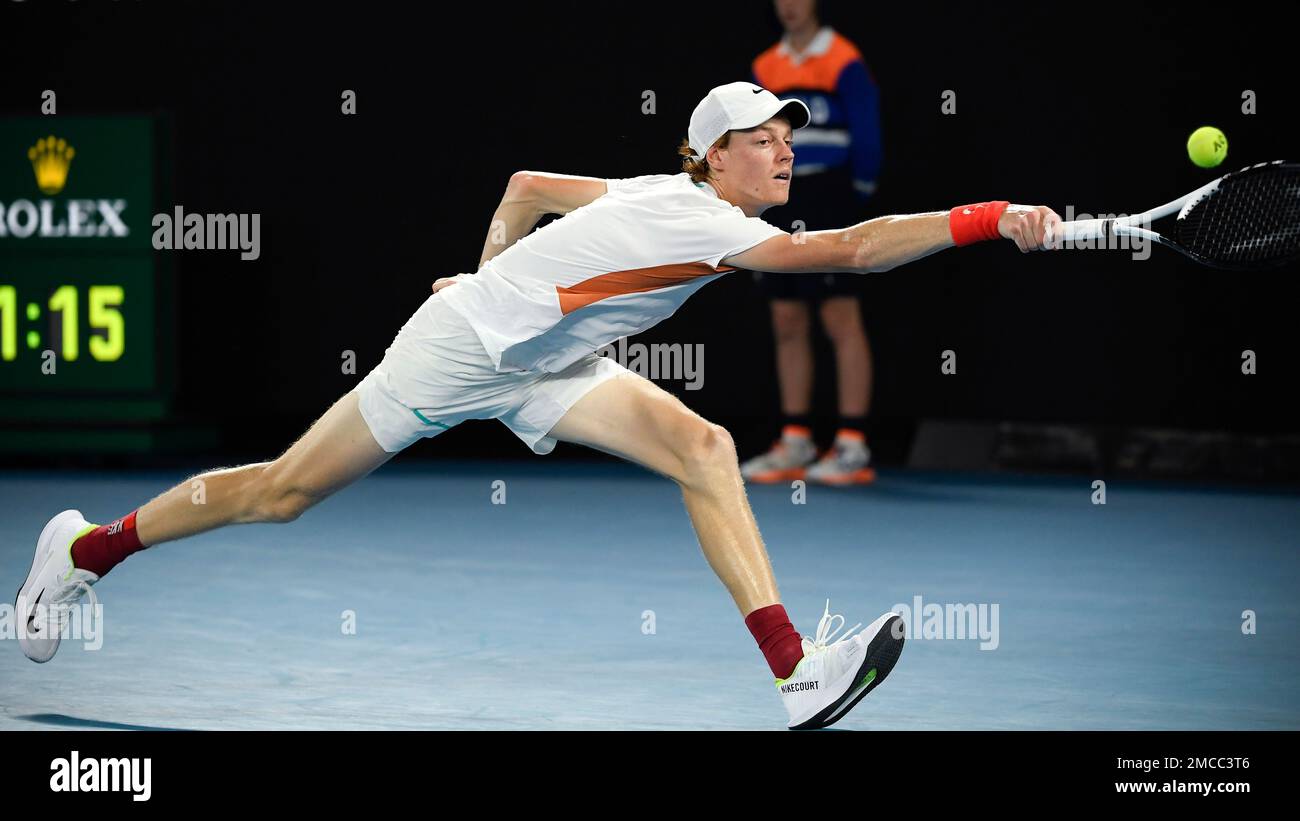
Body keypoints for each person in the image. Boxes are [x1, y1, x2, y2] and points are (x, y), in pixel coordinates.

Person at [16, 81, 1058, 730]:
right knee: (283, 493)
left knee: (704, 444)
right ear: (710, 156)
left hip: (549, 358)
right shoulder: (706, 219)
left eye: (788, 136)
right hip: (459, 354)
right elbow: (851, 250)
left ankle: (795, 673)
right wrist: (987, 215)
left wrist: (483, 271)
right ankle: (84, 551)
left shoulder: (662, 190)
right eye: (761, 137)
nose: (783, 148)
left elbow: (522, 184)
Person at [742, 0, 884, 486]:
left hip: (832, 194)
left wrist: (856, 195)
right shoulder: (766, 65)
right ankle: (796, 440)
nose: (790, 5)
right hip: (782, 197)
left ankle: (852, 444)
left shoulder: (843, 58)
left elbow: (867, 135)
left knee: (839, 314)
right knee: (786, 317)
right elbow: (753, 139)